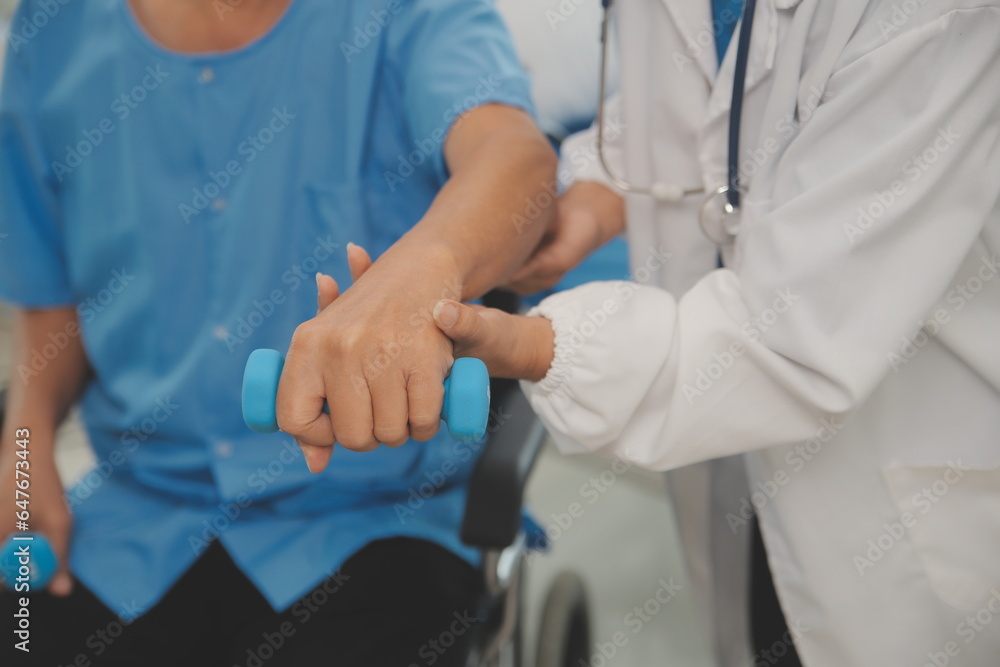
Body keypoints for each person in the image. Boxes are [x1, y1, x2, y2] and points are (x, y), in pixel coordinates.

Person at [353, 0, 1000, 664]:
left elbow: (791, 337)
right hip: (741, 476)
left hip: (896, 487)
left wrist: (532, 345)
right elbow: (712, 103)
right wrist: (601, 197)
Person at [0, 0, 556, 664]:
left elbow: (514, 160)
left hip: (374, 523)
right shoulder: (54, 30)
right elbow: (53, 301)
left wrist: (421, 272)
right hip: (138, 520)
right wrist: (24, 453)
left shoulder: (404, 17)